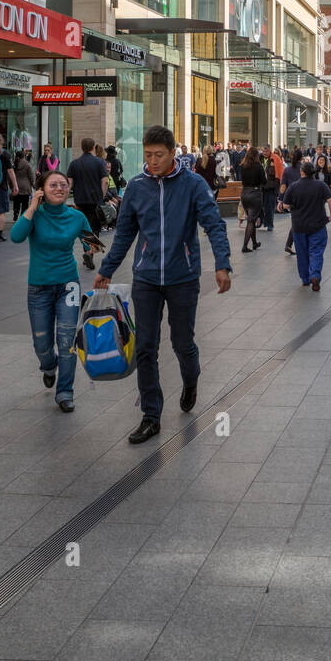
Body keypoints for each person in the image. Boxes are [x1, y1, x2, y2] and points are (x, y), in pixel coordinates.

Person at [94, 125, 231, 444]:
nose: (153, 161)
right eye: (148, 155)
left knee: (183, 343)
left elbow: (214, 224)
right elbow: (125, 234)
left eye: (159, 155)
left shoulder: (194, 185)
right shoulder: (137, 188)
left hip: (183, 277)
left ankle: (191, 378)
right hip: (146, 277)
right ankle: (150, 415)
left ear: (173, 154)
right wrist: (107, 269)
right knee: (145, 346)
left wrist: (222, 264)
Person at [11, 170, 104, 413]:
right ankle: (48, 365)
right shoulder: (35, 215)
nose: (60, 188)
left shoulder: (76, 216)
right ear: (41, 189)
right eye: (53, 185)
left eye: (63, 185)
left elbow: (91, 244)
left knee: (66, 342)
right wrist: (32, 206)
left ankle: (65, 392)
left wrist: (93, 246)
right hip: (39, 287)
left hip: (68, 286)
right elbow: (16, 236)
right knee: (42, 344)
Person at [282, 161, 331, 292]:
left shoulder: (294, 187)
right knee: (316, 251)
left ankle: (305, 279)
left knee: (302, 253)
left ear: (302, 172)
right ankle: (315, 275)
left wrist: (289, 206)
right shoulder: (321, 185)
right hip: (317, 225)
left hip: (299, 226)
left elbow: (285, 205)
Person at [67, 138, 110, 272]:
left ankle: (88, 251)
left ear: (81, 147)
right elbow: (105, 181)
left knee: (83, 228)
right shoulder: (99, 162)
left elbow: (69, 184)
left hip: (79, 201)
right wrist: (101, 196)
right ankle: (89, 253)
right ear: (93, 147)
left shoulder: (74, 163)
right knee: (94, 229)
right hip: (94, 201)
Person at [239, 146, 266, 254]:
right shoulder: (258, 166)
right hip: (255, 194)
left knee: (251, 218)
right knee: (251, 221)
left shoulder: (243, 166)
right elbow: (263, 181)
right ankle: (245, 246)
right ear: (256, 156)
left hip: (244, 193)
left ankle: (254, 243)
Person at [278, 149, 303, 255]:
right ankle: (294, 244)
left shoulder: (287, 170)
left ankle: (289, 244)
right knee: (299, 223)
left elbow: (283, 186)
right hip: (303, 198)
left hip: (291, 199)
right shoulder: (304, 168)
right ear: (301, 158)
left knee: (296, 221)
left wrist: (280, 200)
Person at [260, 145, 281, 232]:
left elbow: (280, 173)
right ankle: (262, 222)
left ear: (270, 151)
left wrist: (278, 188)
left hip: (271, 187)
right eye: (263, 151)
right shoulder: (259, 158)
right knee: (262, 206)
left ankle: (270, 224)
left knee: (270, 207)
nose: (265, 153)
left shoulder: (275, 158)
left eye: (267, 151)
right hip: (261, 187)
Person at [12, 148, 36, 221]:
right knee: (25, 203)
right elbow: (31, 176)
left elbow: (9, 176)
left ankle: (15, 214)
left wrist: (11, 185)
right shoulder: (27, 164)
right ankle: (22, 216)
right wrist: (33, 185)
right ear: (24, 156)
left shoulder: (14, 164)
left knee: (16, 202)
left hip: (16, 186)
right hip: (26, 187)